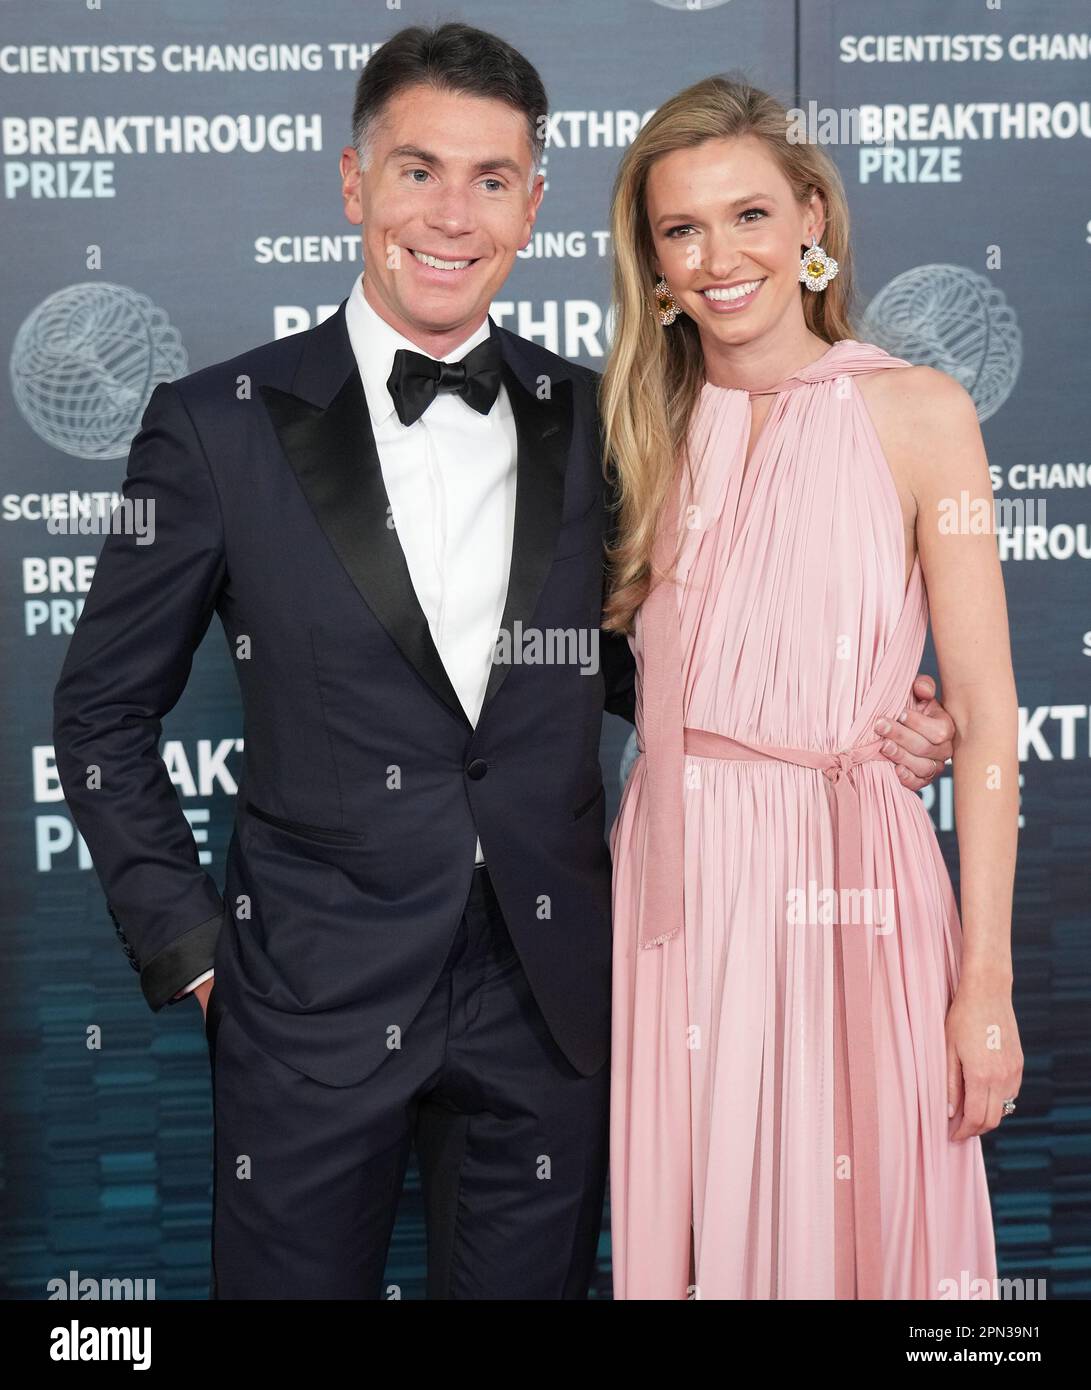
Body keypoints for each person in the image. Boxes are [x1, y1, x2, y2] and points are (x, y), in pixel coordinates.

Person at [51, 23, 954, 1300]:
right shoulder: (217, 426)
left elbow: (651, 665)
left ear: (532, 206)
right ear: (354, 184)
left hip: (555, 1001)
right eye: (417, 170)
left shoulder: (605, 414)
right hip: (306, 998)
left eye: (490, 180)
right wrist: (199, 956)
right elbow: (99, 714)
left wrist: (867, 718)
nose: (451, 214)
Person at [603, 75, 1022, 1300]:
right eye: (680, 229)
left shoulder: (915, 412)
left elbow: (987, 714)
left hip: (854, 879)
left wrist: (983, 982)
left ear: (809, 223)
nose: (717, 256)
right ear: (654, 263)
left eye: (746, 216)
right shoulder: (631, 422)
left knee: (867, 1226)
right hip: (674, 890)